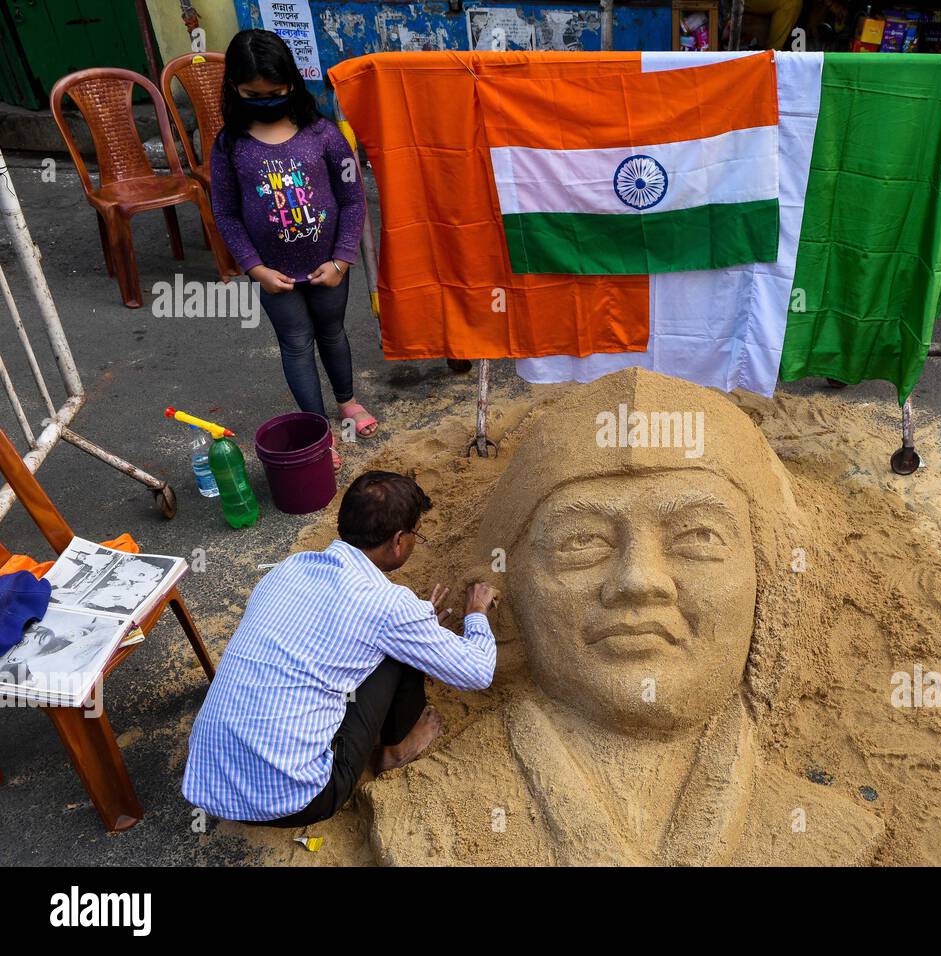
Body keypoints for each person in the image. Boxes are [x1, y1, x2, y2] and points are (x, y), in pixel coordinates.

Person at [366, 369, 881, 865]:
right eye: (582, 541)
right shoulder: (431, 818)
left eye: (697, 537)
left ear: (768, 587)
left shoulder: (823, 829)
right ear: (507, 596)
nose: (640, 580)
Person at [182, 471, 500, 827]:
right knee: (398, 655)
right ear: (397, 541)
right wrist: (474, 614)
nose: (414, 542)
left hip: (209, 780)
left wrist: (415, 627)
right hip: (297, 799)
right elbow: (478, 672)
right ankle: (395, 750)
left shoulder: (290, 567)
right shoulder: (388, 605)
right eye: (416, 534)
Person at [209, 29, 372, 470]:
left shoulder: (323, 134)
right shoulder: (229, 146)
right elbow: (225, 213)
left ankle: (348, 404)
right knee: (296, 344)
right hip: (274, 275)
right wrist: (254, 268)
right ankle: (317, 431)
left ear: (293, 85)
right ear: (234, 90)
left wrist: (341, 259)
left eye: (275, 93)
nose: (264, 100)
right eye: (252, 94)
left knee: (333, 333)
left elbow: (353, 198)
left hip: (330, 267)